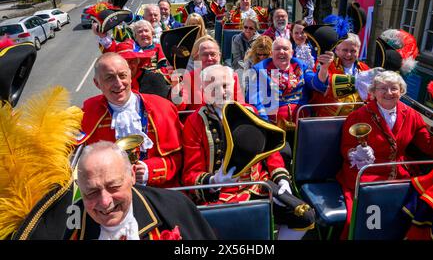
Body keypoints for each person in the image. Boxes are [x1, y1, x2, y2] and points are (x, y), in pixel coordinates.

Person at [181, 64, 315, 240]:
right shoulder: (194, 122)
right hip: (218, 196)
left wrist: (281, 178)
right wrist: (213, 181)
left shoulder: (249, 111)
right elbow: (190, 172)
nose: (220, 91)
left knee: (304, 216)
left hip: (257, 186)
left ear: (233, 85)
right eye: (212, 86)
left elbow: (270, 151)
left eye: (225, 85)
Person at [336, 71, 433, 239]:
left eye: (394, 88)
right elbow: (346, 148)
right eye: (383, 88)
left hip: (400, 172)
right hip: (367, 173)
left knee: (414, 211)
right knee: (361, 219)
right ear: (373, 92)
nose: (389, 93)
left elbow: (428, 147)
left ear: (401, 91)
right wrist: (356, 154)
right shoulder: (358, 115)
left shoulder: (411, 114)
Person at [65, 141, 216, 240]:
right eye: (92, 192)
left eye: (113, 186)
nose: (105, 202)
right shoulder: (66, 225)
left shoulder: (175, 206)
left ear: (132, 175)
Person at [79, 53, 183, 188]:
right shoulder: (87, 113)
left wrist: (150, 170)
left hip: (158, 190)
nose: (118, 83)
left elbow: (179, 157)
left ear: (130, 75)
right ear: (97, 83)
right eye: (109, 78)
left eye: (122, 76)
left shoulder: (163, 107)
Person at [247, 37, 332, 166]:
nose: (281, 52)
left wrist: (324, 68)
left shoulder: (300, 66)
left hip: (302, 125)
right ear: (271, 53)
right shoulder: (259, 70)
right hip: (275, 127)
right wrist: (266, 126)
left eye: (285, 49)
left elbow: (317, 84)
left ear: (291, 53)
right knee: (283, 155)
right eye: (277, 49)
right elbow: (255, 100)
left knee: (309, 154)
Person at [171, 36, 244, 112]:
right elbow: (180, 107)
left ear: (219, 55)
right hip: (200, 121)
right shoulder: (190, 77)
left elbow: (240, 103)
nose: (209, 58)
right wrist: (176, 89)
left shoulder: (231, 75)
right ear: (198, 57)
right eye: (205, 55)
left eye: (213, 54)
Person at [311, 32, 371, 117]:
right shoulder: (327, 64)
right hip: (329, 118)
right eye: (345, 50)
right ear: (337, 50)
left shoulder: (364, 68)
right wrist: (324, 68)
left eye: (353, 51)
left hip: (357, 119)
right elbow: (320, 85)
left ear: (358, 52)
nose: (348, 54)